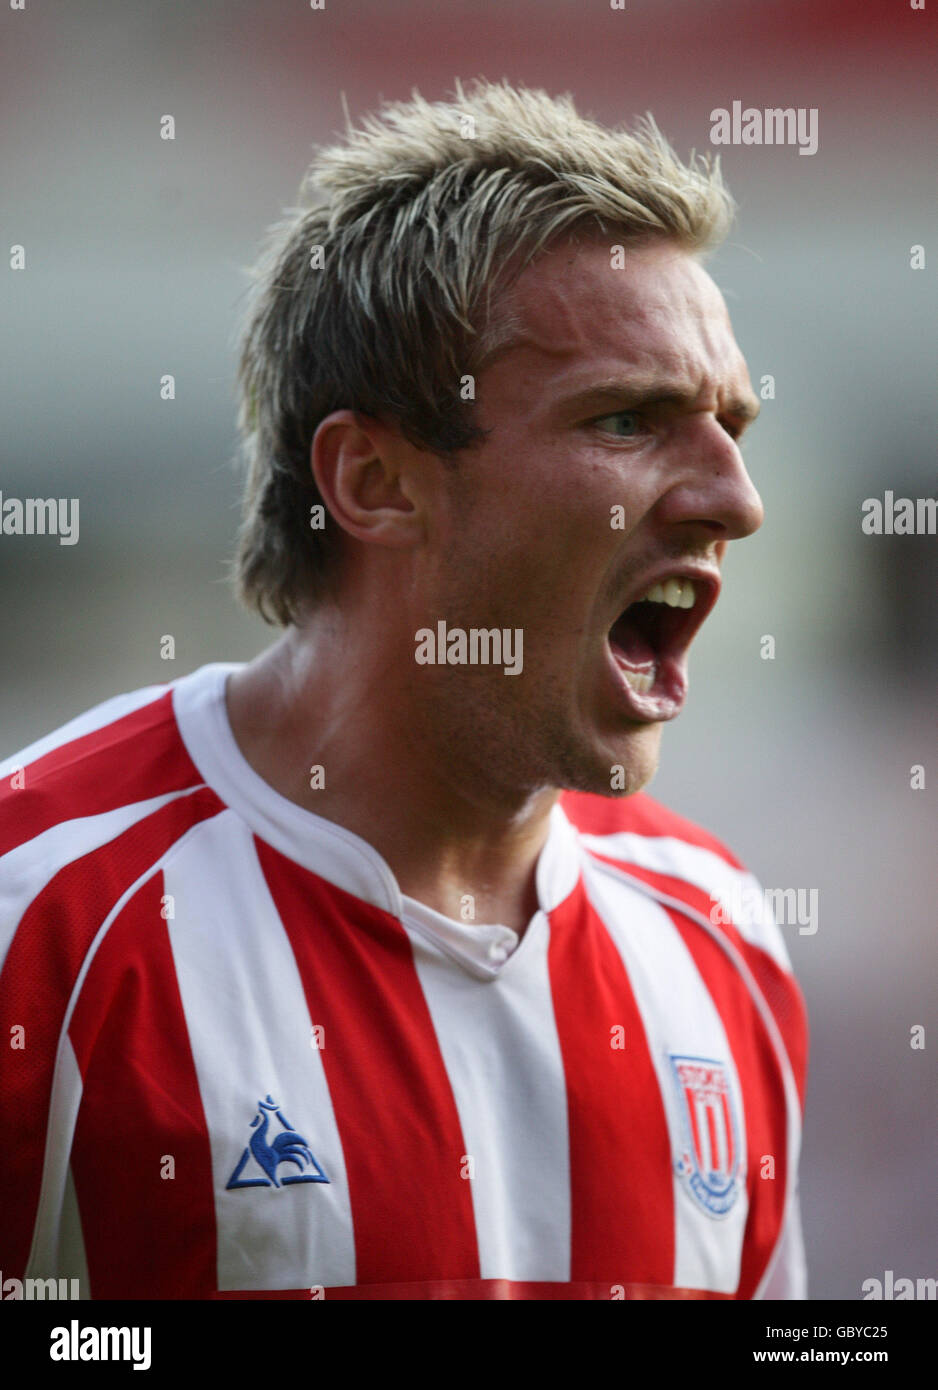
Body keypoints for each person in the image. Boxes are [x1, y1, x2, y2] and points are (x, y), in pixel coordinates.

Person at [0, 79, 807, 1300]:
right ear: (374, 480)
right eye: (630, 420)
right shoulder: (43, 916)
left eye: (730, 424)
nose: (735, 499)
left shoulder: (718, 936)